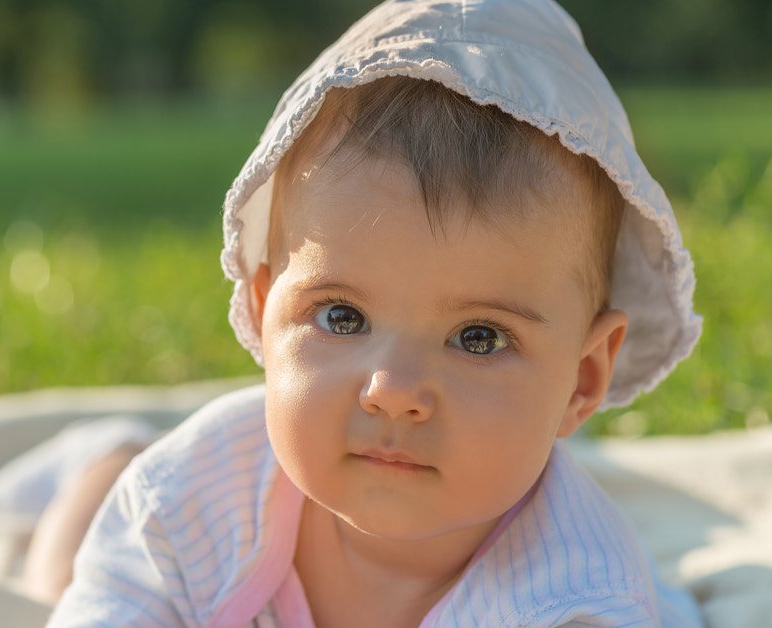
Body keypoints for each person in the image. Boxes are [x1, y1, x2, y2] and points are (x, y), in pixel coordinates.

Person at [44, 0, 705, 625]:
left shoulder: (577, 597)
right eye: (342, 318)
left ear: (582, 377)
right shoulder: (192, 497)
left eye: (478, 337)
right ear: (266, 312)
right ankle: (102, 461)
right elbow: (116, 599)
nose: (393, 391)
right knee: (62, 572)